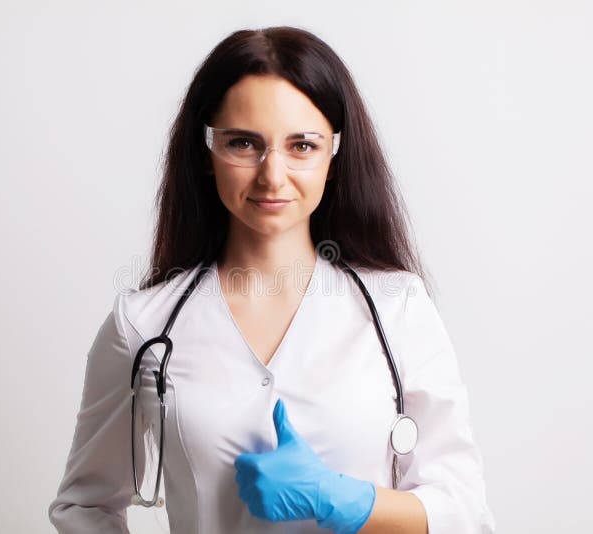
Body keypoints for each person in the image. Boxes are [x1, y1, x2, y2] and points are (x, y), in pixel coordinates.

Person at [48, 26, 496, 534]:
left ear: (335, 155)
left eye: (302, 145)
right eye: (243, 143)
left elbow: (465, 511)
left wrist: (341, 499)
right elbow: (84, 506)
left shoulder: (399, 309)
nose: (272, 175)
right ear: (206, 152)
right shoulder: (144, 327)